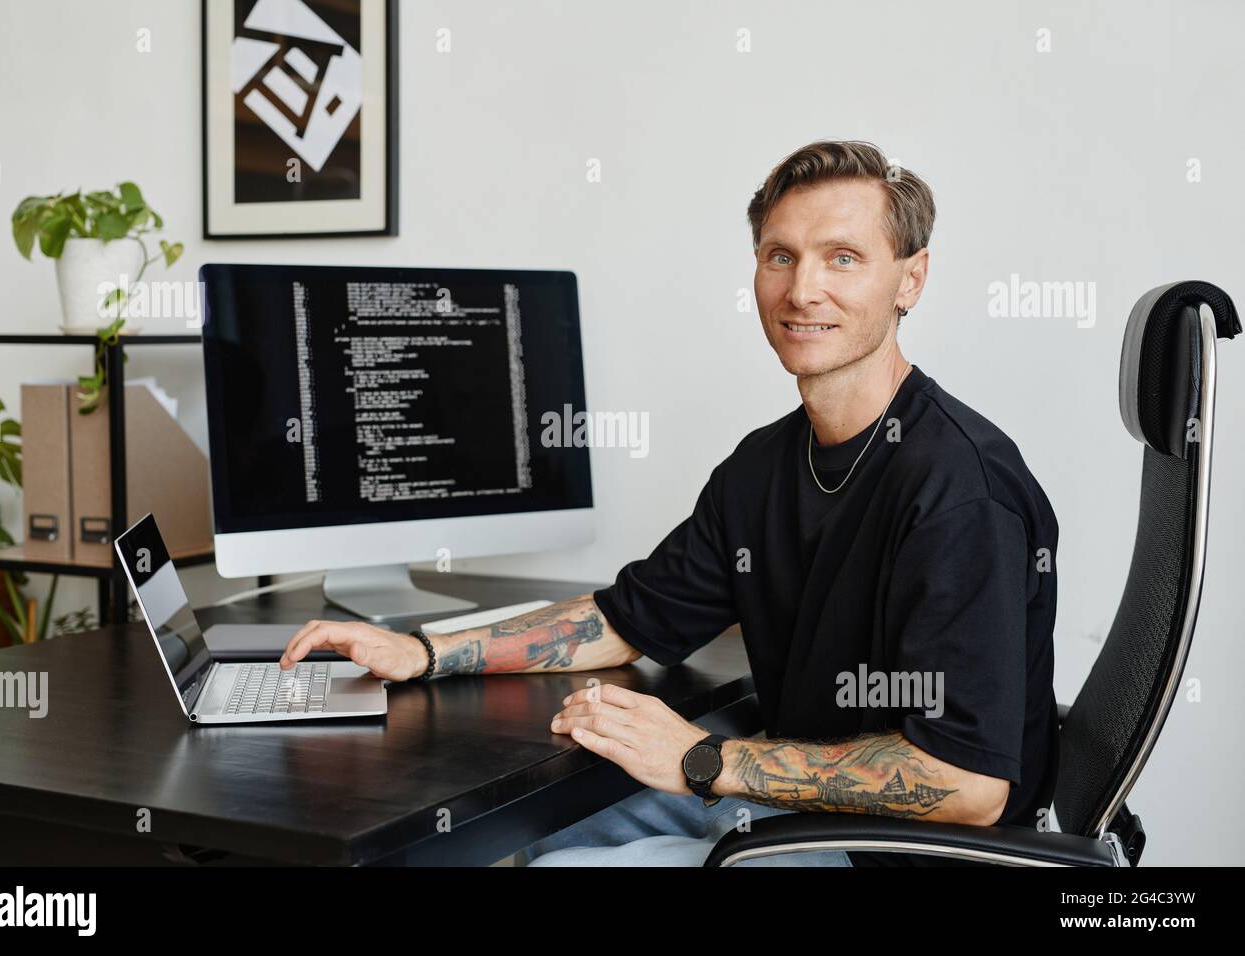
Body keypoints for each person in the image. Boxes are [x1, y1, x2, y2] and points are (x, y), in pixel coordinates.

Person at [280, 140, 1060, 867]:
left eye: (843, 258)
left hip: (901, 854)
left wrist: (701, 758)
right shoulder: (764, 466)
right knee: (517, 841)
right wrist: (425, 652)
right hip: (787, 812)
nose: (801, 289)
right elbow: (625, 621)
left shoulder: (961, 492)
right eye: (779, 256)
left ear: (910, 279)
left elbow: (968, 784)